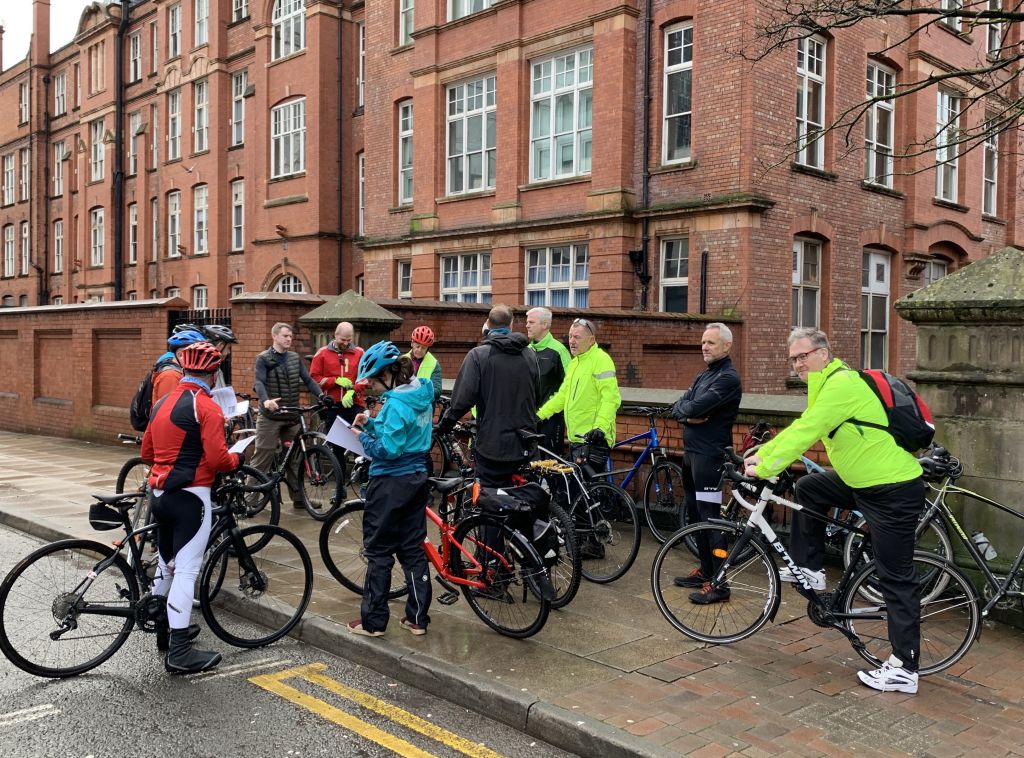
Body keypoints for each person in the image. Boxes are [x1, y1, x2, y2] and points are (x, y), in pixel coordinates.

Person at [743, 327, 925, 694]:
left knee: (896, 579)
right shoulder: (824, 386)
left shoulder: (841, 384)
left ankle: (905, 667)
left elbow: (808, 430)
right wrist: (761, 454)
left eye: (803, 356)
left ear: (823, 354)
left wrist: (763, 467)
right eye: (793, 359)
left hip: (892, 490)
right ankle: (810, 568)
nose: (797, 364)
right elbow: (801, 428)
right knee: (810, 486)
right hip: (864, 483)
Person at [141, 341, 243, 673]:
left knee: (165, 563)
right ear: (213, 374)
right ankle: (180, 652)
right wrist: (239, 456)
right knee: (186, 570)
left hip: (159, 493)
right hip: (192, 496)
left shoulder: (162, 403)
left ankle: (163, 630)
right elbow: (218, 459)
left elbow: (146, 453)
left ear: (184, 370)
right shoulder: (207, 407)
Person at [346, 341, 434, 637]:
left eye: (372, 378)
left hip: (390, 483)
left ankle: (373, 623)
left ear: (389, 373)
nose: (370, 385)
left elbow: (389, 448)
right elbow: (403, 434)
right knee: (412, 549)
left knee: (380, 551)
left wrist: (360, 436)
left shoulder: (395, 404)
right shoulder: (421, 392)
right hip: (417, 477)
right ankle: (417, 619)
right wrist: (370, 421)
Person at [669, 323, 742, 601]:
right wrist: (689, 415)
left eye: (711, 343)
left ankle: (720, 583)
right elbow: (683, 406)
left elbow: (695, 407)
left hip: (710, 457)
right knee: (696, 515)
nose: (705, 347)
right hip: (692, 455)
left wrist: (689, 412)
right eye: (703, 342)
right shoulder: (704, 375)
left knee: (711, 519)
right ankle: (706, 570)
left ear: (726, 346)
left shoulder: (728, 378)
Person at [437, 304, 540, 487]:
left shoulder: (478, 356)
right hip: (525, 443)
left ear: (487, 325)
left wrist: (445, 425)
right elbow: (536, 395)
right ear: (511, 325)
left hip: (492, 445)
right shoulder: (529, 355)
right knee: (524, 497)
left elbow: (462, 400)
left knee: (489, 500)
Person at [251, 322, 334, 509]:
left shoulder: (295, 358)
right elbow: (259, 383)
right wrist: (266, 401)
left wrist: (321, 395)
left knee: (295, 460)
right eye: (285, 335)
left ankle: (300, 499)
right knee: (262, 458)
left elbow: (308, 380)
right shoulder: (263, 359)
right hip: (271, 416)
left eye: (290, 336)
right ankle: (250, 501)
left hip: (292, 415)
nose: (289, 339)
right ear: (275, 336)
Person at [537, 317, 621, 462]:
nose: (571, 341)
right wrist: (539, 416)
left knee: (582, 484)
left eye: (577, 337)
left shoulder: (601, 360)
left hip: (594, 439)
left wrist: (600, 428)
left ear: (591, 340)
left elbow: (610, 398)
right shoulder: (575, 363)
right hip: (577, 439)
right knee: (578, 483)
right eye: (570, 336)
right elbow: (562, 396)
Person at [311, 322, 365, 467]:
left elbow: (366, 378)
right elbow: (314, 378)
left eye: (349, 340)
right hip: (333, 405)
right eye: (343, 340)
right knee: (337, 448)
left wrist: (353, 390)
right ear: (335, 335)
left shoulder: (360, 353)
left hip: (354, 405)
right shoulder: (322, 353)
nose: (346, 343)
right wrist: (334, 381)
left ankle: (364, 482)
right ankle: (340, 487)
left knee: (360, 445)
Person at [526, 306, 570, 455]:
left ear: (545, 325)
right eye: (527, 322)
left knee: (552, 464)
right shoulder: (527, 350)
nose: (527, 325)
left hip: (551, 419)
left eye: (531, 322)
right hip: (529, 417)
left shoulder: (559, 350)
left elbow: (569, 385)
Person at [152, 328, 208, 405]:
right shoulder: (171, 376)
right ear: (180, 354)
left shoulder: (179, 371)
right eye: (195, 354)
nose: (199, 358)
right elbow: (169, 409)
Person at [405, 325, 442, 402]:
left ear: (428, 349)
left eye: (423, 348)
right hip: (404, 405)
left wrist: (419, 394)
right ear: (412, 343)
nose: (419, 350)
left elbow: (437, 390)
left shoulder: (434, 364)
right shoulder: (402, 360)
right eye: (417, 346)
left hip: (424, 408)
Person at [202, 323, 238, 389]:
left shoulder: (215, 368)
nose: (229, 352)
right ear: (220, 346)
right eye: (228, 348)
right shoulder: (207, 372)